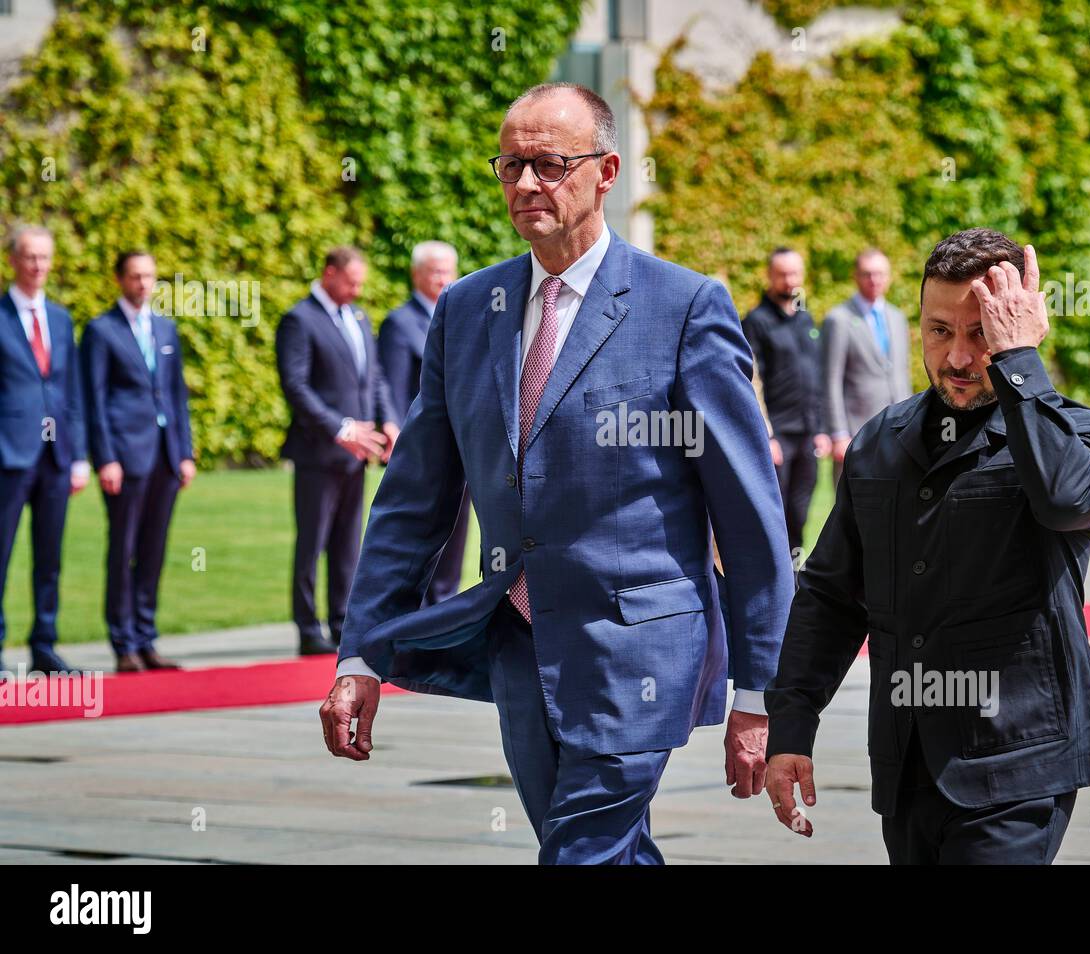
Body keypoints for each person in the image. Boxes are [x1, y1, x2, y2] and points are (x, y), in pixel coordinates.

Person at [319, 82, 793, 865]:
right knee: (609, 855)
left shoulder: (684, 308)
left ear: (606, 171)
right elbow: (412, 502)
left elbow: (750, 518)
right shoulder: (468, 311)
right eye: (510, 166)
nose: (526, 184)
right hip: (522, 650)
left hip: (641, 654)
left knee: (581, 855)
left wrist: (760, 690)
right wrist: (362, 656)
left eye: (548, 163)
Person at [765, 228, 1090, 864]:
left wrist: (1017, 359)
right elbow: (829, 596)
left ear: (1020, 328)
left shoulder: (1075, 434)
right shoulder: (881, 440)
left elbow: (1068, 498)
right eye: (940, 331)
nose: (959, 357)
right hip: (907, 770)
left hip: (1018, 767)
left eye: (980, 333)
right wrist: (793, 724)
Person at [276, 247, 399, 656]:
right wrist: (340, 428)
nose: (357, 289)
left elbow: (374, 378)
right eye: (351, 281)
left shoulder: (359, 318)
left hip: (357, 455)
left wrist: (389, 421)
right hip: (318, 453)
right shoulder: (299, 319)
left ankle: (343, 621)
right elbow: (296, 386)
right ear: (329, 274)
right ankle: (308, 626)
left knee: (348, 542)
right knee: (312, 541)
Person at [81, 250, 195, 672]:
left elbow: (177, 395)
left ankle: (147, 636)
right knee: (123, 547)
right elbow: (93, 399)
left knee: (153, 549)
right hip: (125, 458)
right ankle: (123, 640)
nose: (143, 284)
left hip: (165, 456)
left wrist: (185, 452)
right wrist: (105, 458)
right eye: (135, 276)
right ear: (119, 280)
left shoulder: (165, 328)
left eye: (149, 276)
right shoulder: (101, 331)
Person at [0, 225, 88, 678]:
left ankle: (44, 646)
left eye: (45, 257)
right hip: (8, 457)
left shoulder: (60, 319)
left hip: (56, 458)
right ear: (12, 260)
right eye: (30, 256)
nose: (38, 265)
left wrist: (79, 456)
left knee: (49, 557)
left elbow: (70, 391)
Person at [378, 241, 469, 604]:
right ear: (417, 275)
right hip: (423, 450)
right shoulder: (399, 324)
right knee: (422, 535)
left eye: (448, 270)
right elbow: (394, 388)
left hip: (462, 444)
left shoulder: (462, 316)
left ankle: (446, 612)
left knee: (457, 539)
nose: (444, 277)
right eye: (436, 270)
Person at [742, 248, 829, 555]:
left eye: (795, 273)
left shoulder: (806, 318)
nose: (790, 280)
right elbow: (751, 382)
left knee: (801, 511)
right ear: (770, 276)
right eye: (783, 274)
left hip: (808, 432)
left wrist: (821, 428)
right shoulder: (756, 321)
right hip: (777, 436)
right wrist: (766, 435)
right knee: (774, 512)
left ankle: (795, 579)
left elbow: (815, 377)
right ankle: (774, 577)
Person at [822, 248, 912, 486]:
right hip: (857, 432)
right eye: (867, 274)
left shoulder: (897, 317)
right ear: (856, 276)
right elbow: (830, 379)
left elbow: (901, 372)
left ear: (889, 276)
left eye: (880, 274)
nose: (874, 280)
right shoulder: (838, 319)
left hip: (898, 430)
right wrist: (838, 433)